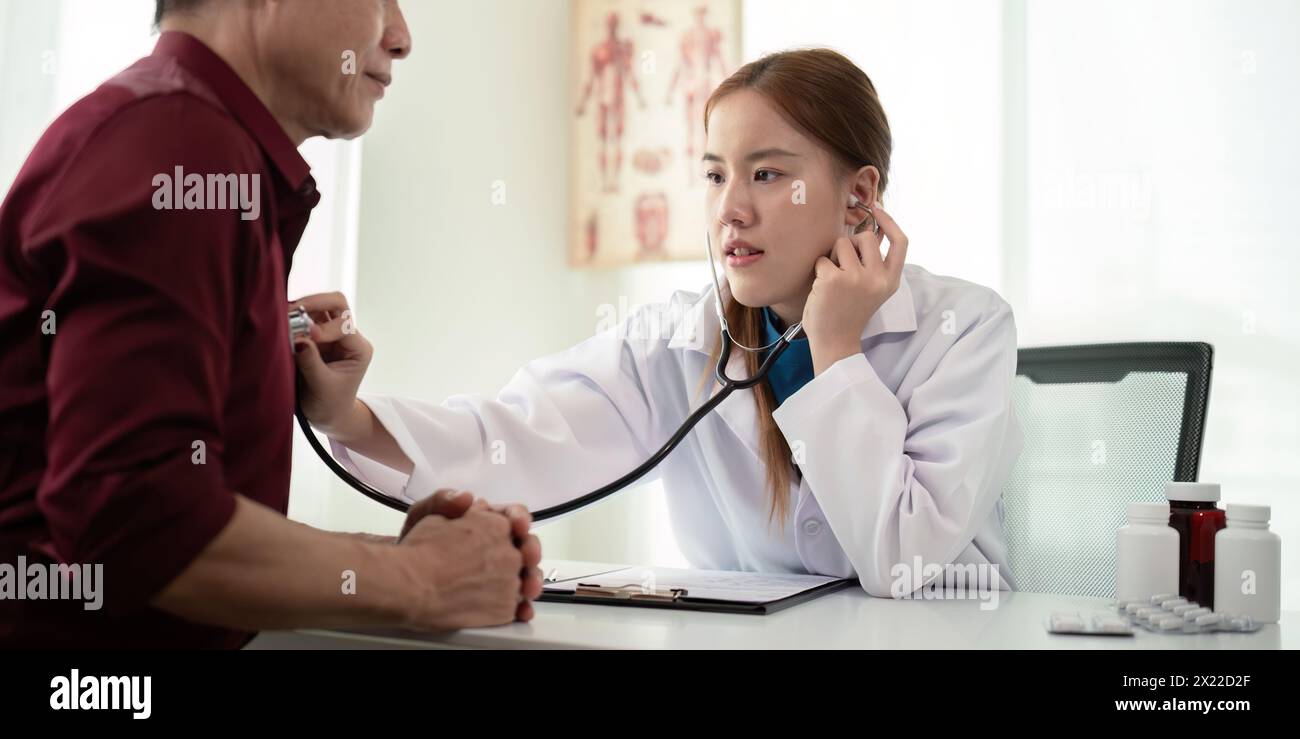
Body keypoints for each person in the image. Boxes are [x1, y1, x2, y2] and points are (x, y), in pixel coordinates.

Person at [296, 49, 1024, 598]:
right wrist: (348, 417)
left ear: (860, 195)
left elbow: (904, 558)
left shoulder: (965, 329)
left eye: (766, 174)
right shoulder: (677, 340)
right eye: (715, 175)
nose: (729, 209)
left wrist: (835, 348)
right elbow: (515, 437)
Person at [0, 0, 541, 648]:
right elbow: (135, 513)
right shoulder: (180, 143)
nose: (402, 38)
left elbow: (164, 513)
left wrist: (398, 555)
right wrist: (421, 577)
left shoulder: (201, 146)